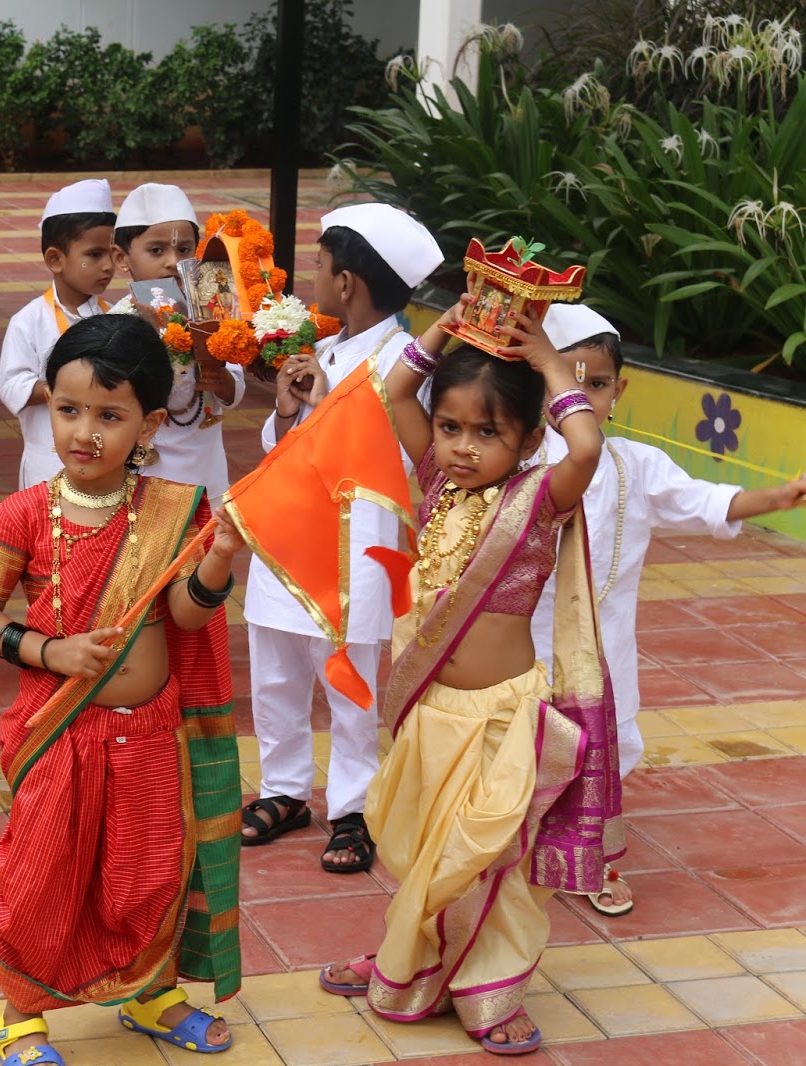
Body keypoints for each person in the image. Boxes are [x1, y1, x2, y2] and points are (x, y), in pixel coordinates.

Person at [318, 296, 616, 1057]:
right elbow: (392, 394)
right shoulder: (440, 484)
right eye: (450, 427)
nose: (460, 447)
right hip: (432, 707)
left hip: (500, 717)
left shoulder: (538, 498)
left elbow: (584, 449)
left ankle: (489, 991)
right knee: (422, 848)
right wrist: (450, 321)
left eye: (487, 433)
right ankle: (405, 956)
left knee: (487, 858)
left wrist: (551, 363)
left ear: (524, 440)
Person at [0, 314, 246, 1065]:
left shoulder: (176, 508)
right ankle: (22, 1014)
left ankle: (148, 993)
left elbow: (184, 614)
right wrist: (52, 651)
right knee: (41, 874)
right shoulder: (22, 512)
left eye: (110, 416)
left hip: (152, 731)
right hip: (62, 727)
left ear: (149, 423)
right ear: (48, 402)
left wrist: (216, 560)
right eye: (69, 409)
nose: (85, 432)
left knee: (146, 871)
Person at [529, 304, 806, 916]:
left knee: (607, 751)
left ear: (618, 391)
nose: (582, 398)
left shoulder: (638, 466)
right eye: (566, 382)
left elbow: (705, 501)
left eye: (596, 384)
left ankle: (592, 859)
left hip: (606, 651)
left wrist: (777, 497)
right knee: (519, 749)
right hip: (523, 645)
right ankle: (522, 850)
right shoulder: (522, 462)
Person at [240, 204, 443, 872]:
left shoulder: (406, 364)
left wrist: (322, 407)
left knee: (350, 683)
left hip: (354, 547)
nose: (314, 281)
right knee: (275, 673)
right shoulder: (321, 351)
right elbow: (283, 448)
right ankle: (285, 787)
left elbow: (398, 454)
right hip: (284, 534)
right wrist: (288, 407)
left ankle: (353, 804)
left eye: (321, 267)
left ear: (348, 283)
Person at [109, 183, 245, 501]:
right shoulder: (117, 323)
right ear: (121, 257)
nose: (172, 261)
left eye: (184, 250)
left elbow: (235, 387)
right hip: (144, 470)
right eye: (157, 251)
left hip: (206, 469)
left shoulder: (212, 309)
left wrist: (222, 380)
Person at [0, 178, 117, 489]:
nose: (108, 266)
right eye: (94, 255)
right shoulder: (29, 320)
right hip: (47, 462)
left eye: (112, 254)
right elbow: (11, 385)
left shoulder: (117, 315)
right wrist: (68, 386)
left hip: (106, 457)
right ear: (55, 259)